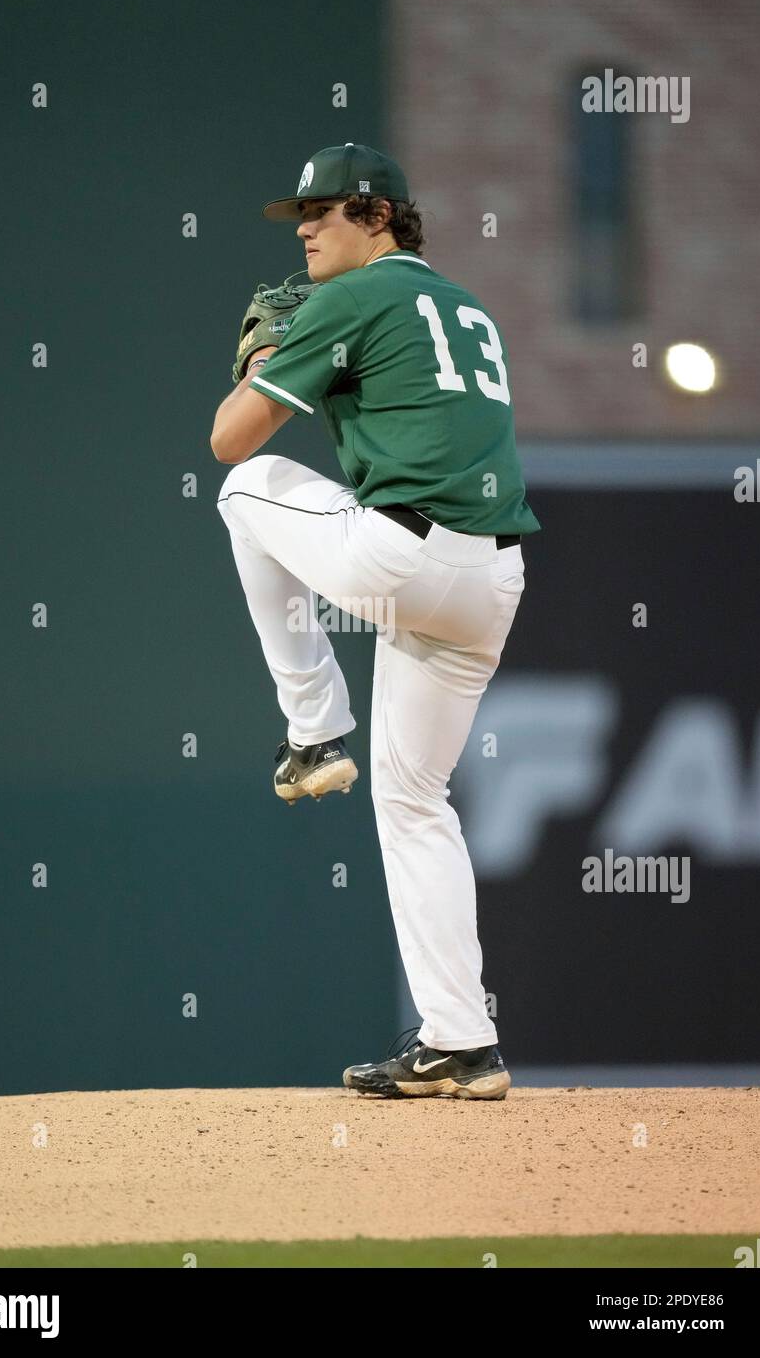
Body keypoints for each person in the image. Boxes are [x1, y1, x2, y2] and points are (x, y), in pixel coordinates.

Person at [212, 143, 540, 1100]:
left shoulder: (350, 301)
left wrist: (272, 357)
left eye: (327, 211)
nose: (306, 226)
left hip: (405, 554)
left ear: (381, 218)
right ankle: (462, 1042)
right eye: (300, 214)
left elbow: (230, 433)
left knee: (244, 488)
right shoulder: (468, 307)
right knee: (410, 800)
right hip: (493, 580)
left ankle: (313, 731)